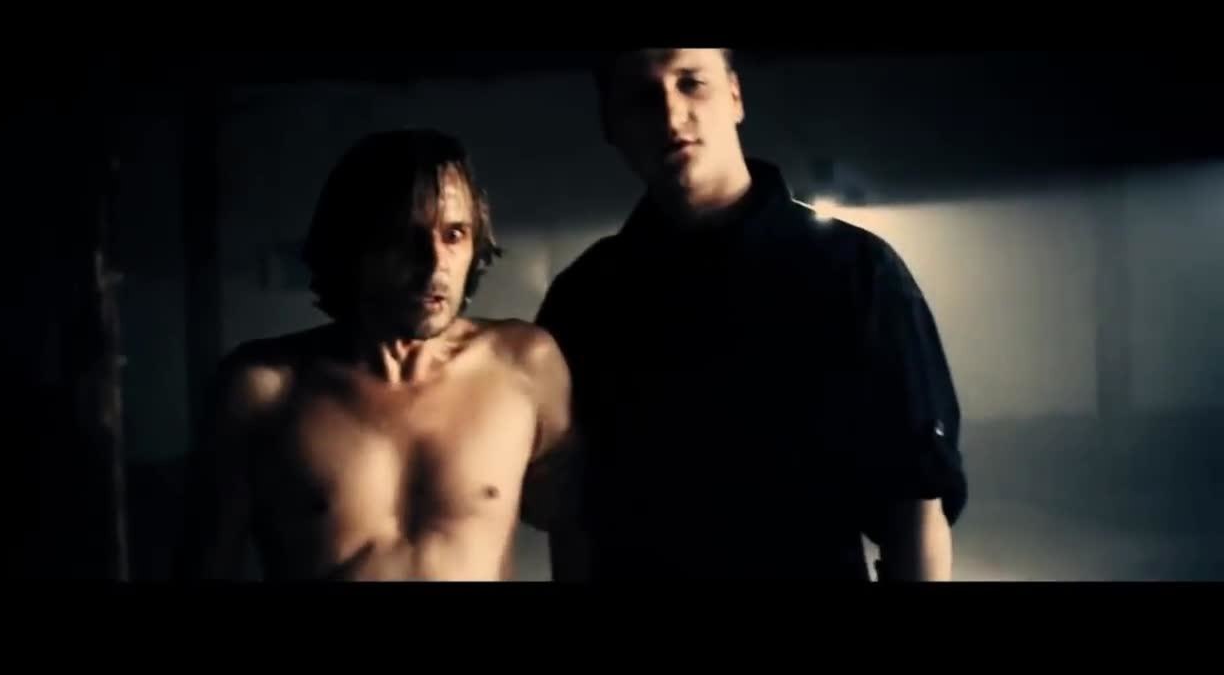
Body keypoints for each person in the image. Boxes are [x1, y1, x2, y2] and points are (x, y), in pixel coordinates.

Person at [535, 48, 967, 581]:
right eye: (642, 97)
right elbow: (572, 522)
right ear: (610, 125)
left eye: (691, 82)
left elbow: (915, 505)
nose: (671, 114)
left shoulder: (854, 271)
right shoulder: (584, 300)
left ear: (735, 95)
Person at [176, 129, 576, 581]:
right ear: (351, 246)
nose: (434, 263)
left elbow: (578, 529)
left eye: (454, 234)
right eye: (403, 237)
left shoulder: (524, 365)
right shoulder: (264, 389)